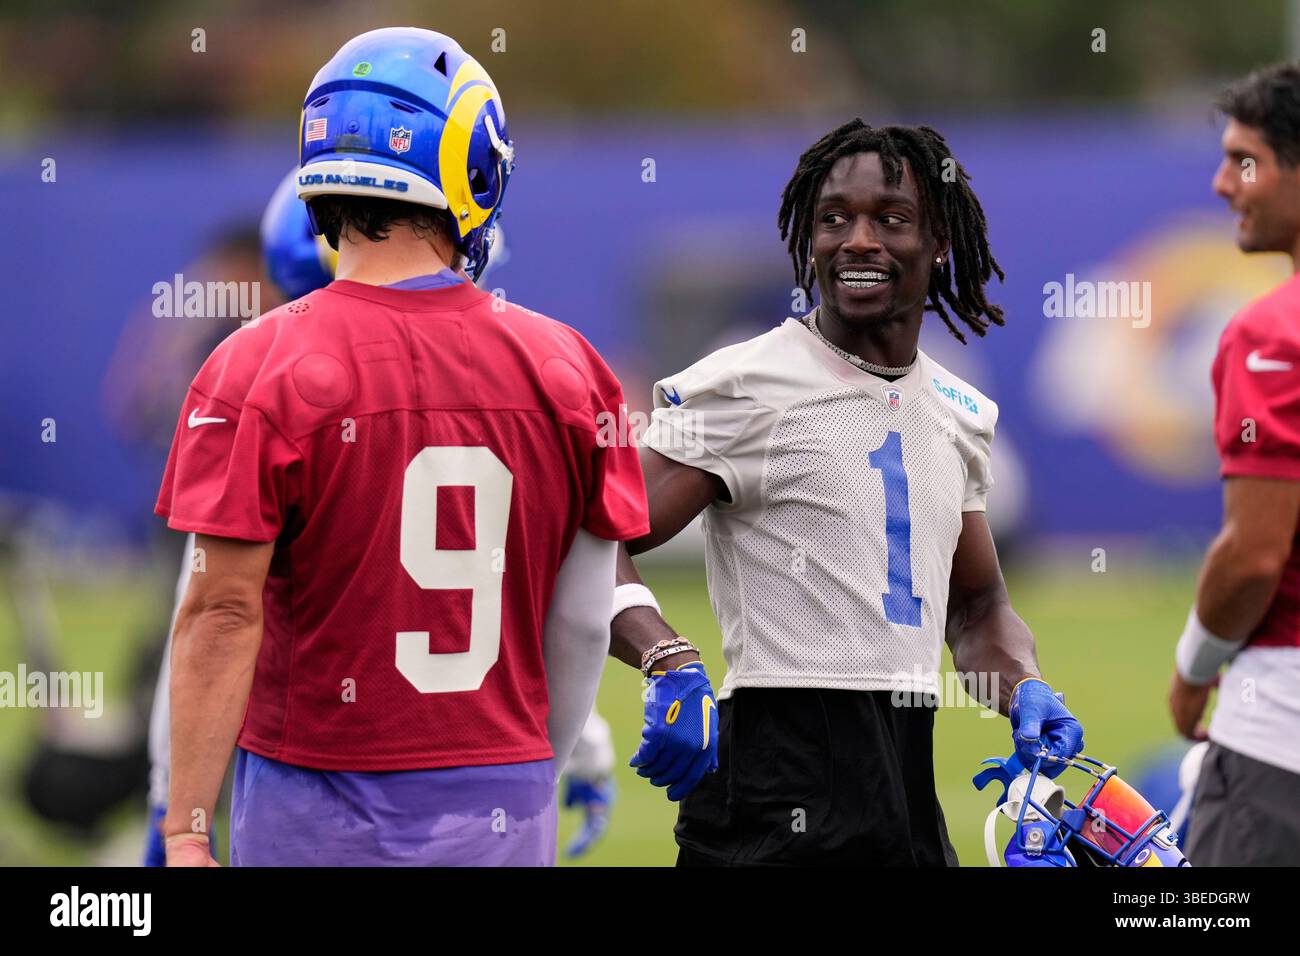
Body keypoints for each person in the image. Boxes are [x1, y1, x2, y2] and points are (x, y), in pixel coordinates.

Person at [157, 27, 647, 867]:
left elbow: (221, 612)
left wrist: (185, 828)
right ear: (471, 165)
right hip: (500, 808)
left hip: (310, 813)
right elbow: (579, 619)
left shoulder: (256, 364)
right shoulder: (569, 367)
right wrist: (539, 771)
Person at [613, 119, 1085, 865]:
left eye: (891, 220)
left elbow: (977, 606)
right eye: (835, 219)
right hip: (772, 782)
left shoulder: (961, 415)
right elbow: (599, 536)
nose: (858, 240)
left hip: (905, 784)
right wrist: (665, 657)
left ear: (939, 243)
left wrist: (1023, 684)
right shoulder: (746, 384)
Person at [1170, 61, 1300, 865]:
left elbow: (1255, 555)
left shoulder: (1272, 334)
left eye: (1245, 160)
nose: (1223, 184)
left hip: (1278, 739)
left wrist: (1192, 668)